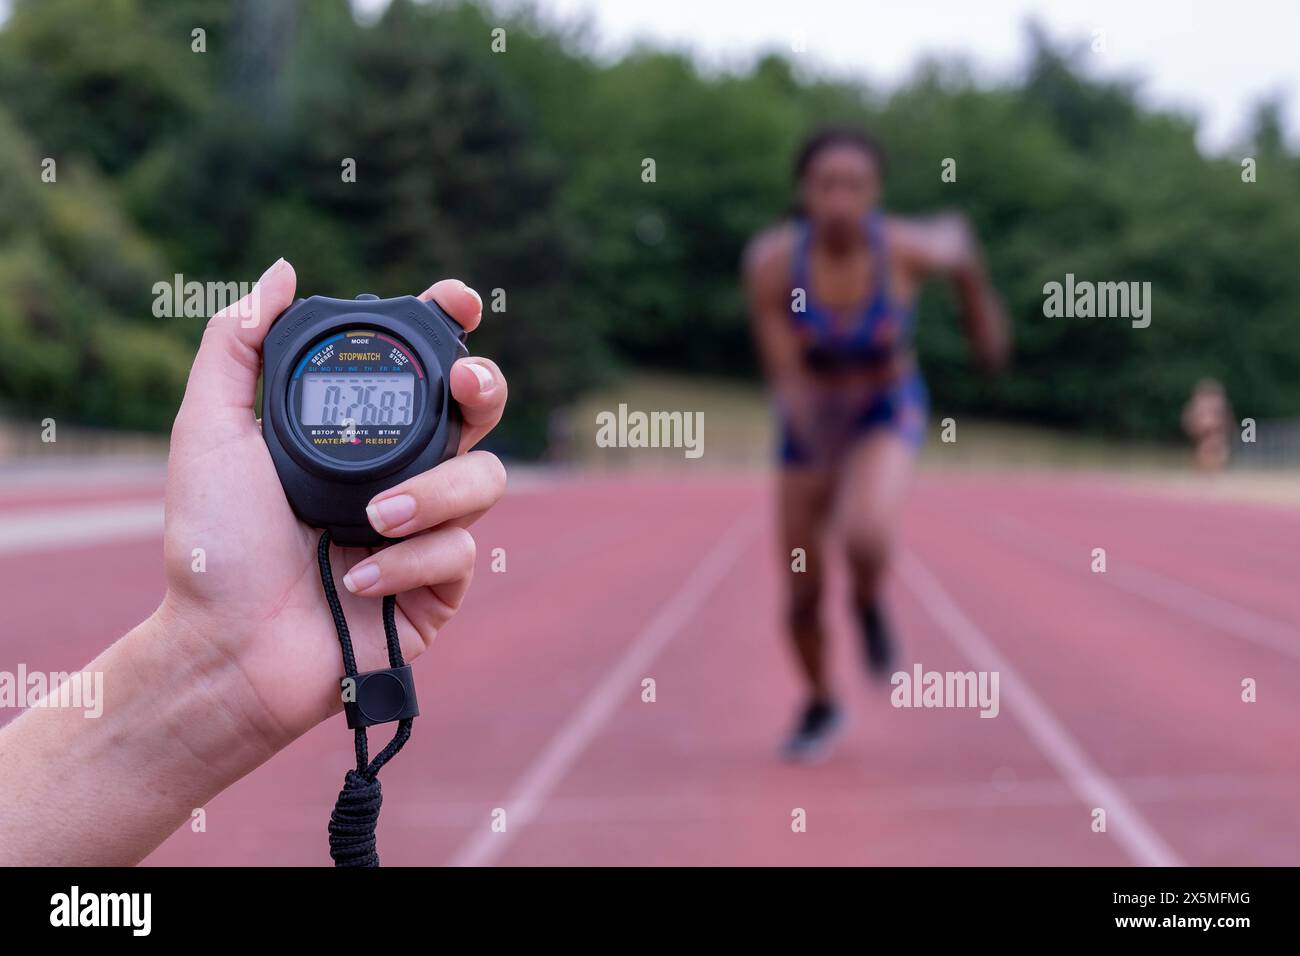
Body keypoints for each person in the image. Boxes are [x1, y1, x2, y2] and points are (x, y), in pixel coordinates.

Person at [0, 259, 509, 865]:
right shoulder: (401, 339)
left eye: (376, 401)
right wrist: (214, 652)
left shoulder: (305, 338)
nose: (353, 417)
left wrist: (223, 665)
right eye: (341, 400)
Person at [744, 128, 1009, 761]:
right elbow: (787, 375)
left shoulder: (907, 251)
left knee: (864, 533)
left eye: (854, 185)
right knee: (802, 590)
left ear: (876, 191)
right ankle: (820, 701)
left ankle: (866, 600)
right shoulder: (774, 264)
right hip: (811, 418)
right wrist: (819, 461)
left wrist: (973, 293)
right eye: (825, 185)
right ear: (804, 192)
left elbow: (965, 262)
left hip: (886, 408)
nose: (839, 200)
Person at [1181, 378, 1231, 472]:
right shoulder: (1198, 405)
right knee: (1207, 453)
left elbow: (1226, 420)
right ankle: (1205, 471)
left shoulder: (1218, 405)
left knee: (1219, 451)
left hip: (1215, 434)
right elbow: (1189, 420)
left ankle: (1214, 471)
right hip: (1204, 434)